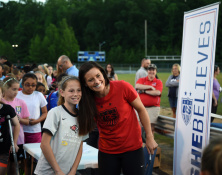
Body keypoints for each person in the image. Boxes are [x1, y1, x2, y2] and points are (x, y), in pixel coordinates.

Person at [79, 61, 158, 175]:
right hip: (107, 151)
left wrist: (149, 137)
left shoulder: (122, 87)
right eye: (90, 80)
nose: (96, 81)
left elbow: (141, 110)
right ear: (85, 84)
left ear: (103, 73)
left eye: (98, 76)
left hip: (132, 148)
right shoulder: (87, 100)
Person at [34, 76, 94, 175]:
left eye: (79, 90)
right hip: (47, 172)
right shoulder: (55, 113)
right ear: (62, 92)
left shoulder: (83, 117)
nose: (75, 94)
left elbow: (80, 146)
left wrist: (74, 170)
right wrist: (58, 171)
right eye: (71, 91)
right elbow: (44, 144)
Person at [2, 77, 30, 175]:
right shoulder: (1, 102)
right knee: (5, 164)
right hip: (4, 138)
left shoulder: (21, 102)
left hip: (18, 139)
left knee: (15, 163)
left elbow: (27, 121)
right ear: (5, 88)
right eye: (13, 89)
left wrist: (18, 119)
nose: (16, 92)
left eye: (17, 89)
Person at [16, 73, 47, 143]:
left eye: (33, 85)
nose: (30, 87)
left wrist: (37, 121)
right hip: (19, 129)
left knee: (33, 152)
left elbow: (45, 113)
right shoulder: (17, 95)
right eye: (27, 84)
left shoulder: (39, 95)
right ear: (23, 84)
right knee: (20, 152)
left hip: (34, 130)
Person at [135, 64, 163, 134]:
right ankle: (140, 143)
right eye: (150, 70)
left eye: (153, 70)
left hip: (153, 107)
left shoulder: (158, 81)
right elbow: (137, 86)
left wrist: (144, 91)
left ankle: (149, 144)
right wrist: (150, 87)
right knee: (139, 126)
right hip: (141, 107)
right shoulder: (142, 79)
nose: (151, 71)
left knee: (151, 128)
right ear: (147, 71)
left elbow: (157, 92)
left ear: (156, 71)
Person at [0, 81, 20, 175]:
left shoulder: (7, 109)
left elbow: (16, 124)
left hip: (3, 147)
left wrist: (14, 143)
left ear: (2, 94)